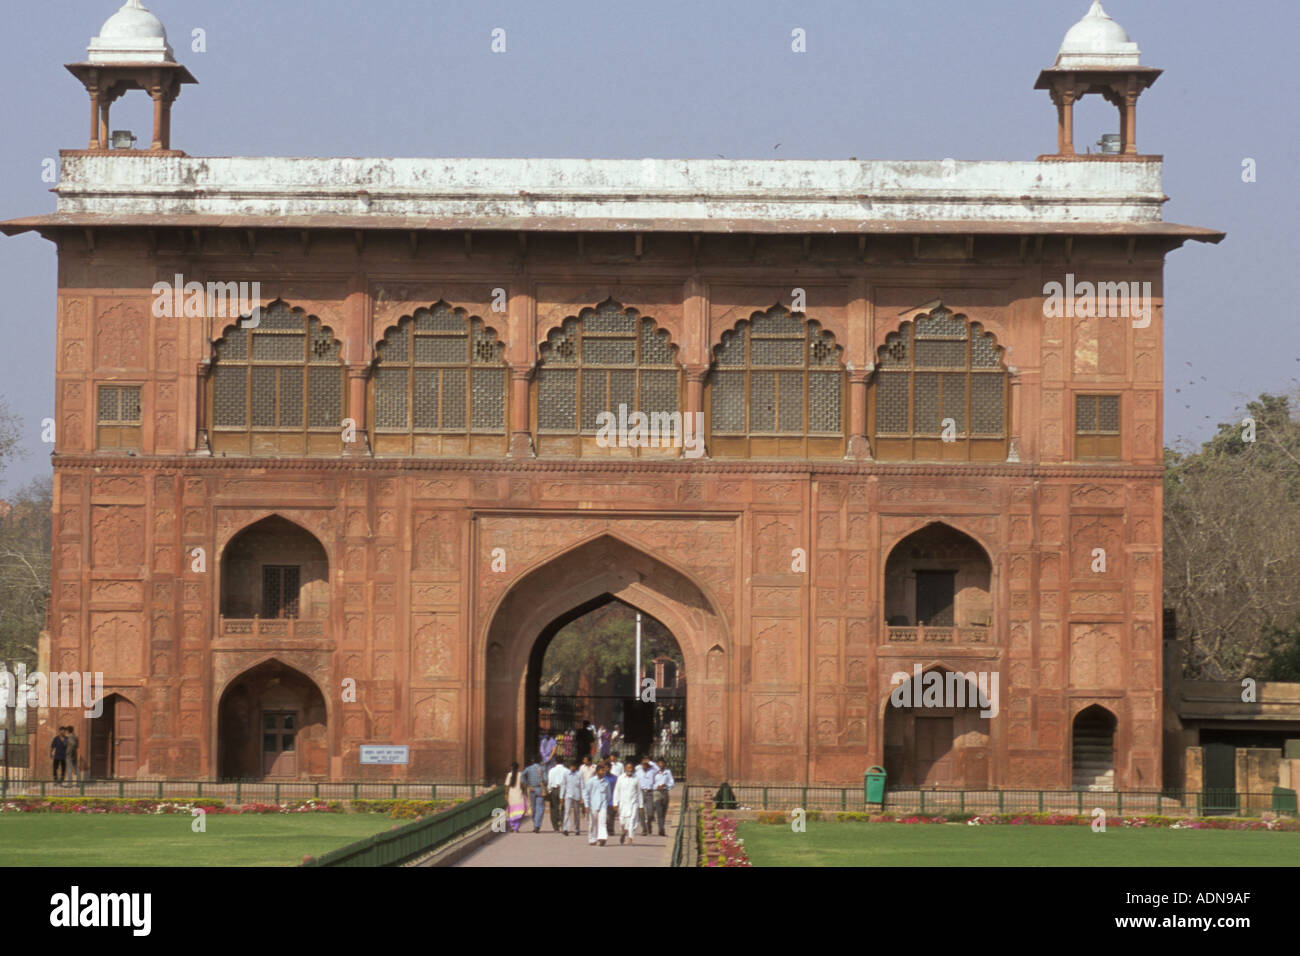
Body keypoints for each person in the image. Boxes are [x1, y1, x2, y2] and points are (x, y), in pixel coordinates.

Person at [612, 761, 643, 845]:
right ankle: (624, 831)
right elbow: (616, 791)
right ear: (625, 768)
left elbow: (639, 792)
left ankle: (630, 837)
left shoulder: (636, 778)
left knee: (633, 819)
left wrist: (641, 805)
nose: (630, 769)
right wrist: (615, 803)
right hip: (623, 803)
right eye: (628, 768)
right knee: (622, 822)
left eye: (631, 768)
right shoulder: (620, 778)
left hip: (633, 803)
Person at [583, 761, 610, 846]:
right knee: (593, 823)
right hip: (593, 805)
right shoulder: (591, 781)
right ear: (597, 771)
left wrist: (606, 803)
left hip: (603, 805)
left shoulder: (606, 781)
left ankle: (602, 838)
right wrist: (586, 805)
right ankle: (592, 839)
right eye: (601, 770)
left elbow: (608, 794)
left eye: (604, 771)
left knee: (602, 822)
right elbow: (586, 793)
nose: (603, 772)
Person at [635, 756, 659, 835]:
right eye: (643, 764)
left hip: (649, 793)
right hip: (641, 792)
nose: (644, 766)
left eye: (646, 764)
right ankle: (644, 829)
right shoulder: (638, 771)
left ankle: (649, 823)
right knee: (641, 811)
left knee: (650, 812)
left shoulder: (652, 770)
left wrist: (650, 762)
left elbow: (658, 769)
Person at [561, 758, 583, 835]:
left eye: (574, 766)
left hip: (577, 795)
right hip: (568, 795)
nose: (572, 768)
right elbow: (563, 785)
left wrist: (582, 797)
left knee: (577, 813)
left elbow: (582, 786)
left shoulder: (579, 774)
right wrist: (561, 796)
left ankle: (577, 829)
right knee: (567, 812)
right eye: (571, 766)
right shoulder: (566, 774)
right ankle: (566, 828)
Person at [652, 760, 675, 836]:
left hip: (665, 793)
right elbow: (651, 783)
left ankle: (661, 826)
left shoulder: (667, 772)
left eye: (662, 763)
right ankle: (661, 828)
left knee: (664, 812)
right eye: (659, 764)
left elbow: (672, 782)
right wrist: (657, 786)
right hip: (657, 793)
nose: (661, 765)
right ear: (657, 765)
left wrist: (666, 785)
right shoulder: (654, 772)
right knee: (659, 811)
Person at [522, 758, 545, 833]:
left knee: (533, 807)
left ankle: (535, 823)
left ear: (532, 761)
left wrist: (527, 784)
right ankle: (537, 825)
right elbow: (546, 779)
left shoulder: (528, 768)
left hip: (532, 788)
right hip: (540, 788)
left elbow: (522, 776)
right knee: (540, 807)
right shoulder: (542, 768)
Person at [546, 757, 568, 832]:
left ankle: (555, 827)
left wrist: (549, 791)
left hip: (554, 790)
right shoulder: (566, 771)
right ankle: (563, 823)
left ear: (555, 762)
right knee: (564, 808)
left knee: (553, 808)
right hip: (564, 790)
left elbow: (550, 781)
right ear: (563, 762)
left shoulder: (551, 770)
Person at [504, 763, 527, 833]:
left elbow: (507, 786)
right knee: (520, 812)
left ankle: (512, 825)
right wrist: (525, 792)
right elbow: (523, 784)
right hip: (519, 795)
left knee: (512, 812)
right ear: (518, 768)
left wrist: (506, 794)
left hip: (511, 795)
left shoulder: (509, 775)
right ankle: (516, 827)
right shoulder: (520, 774)